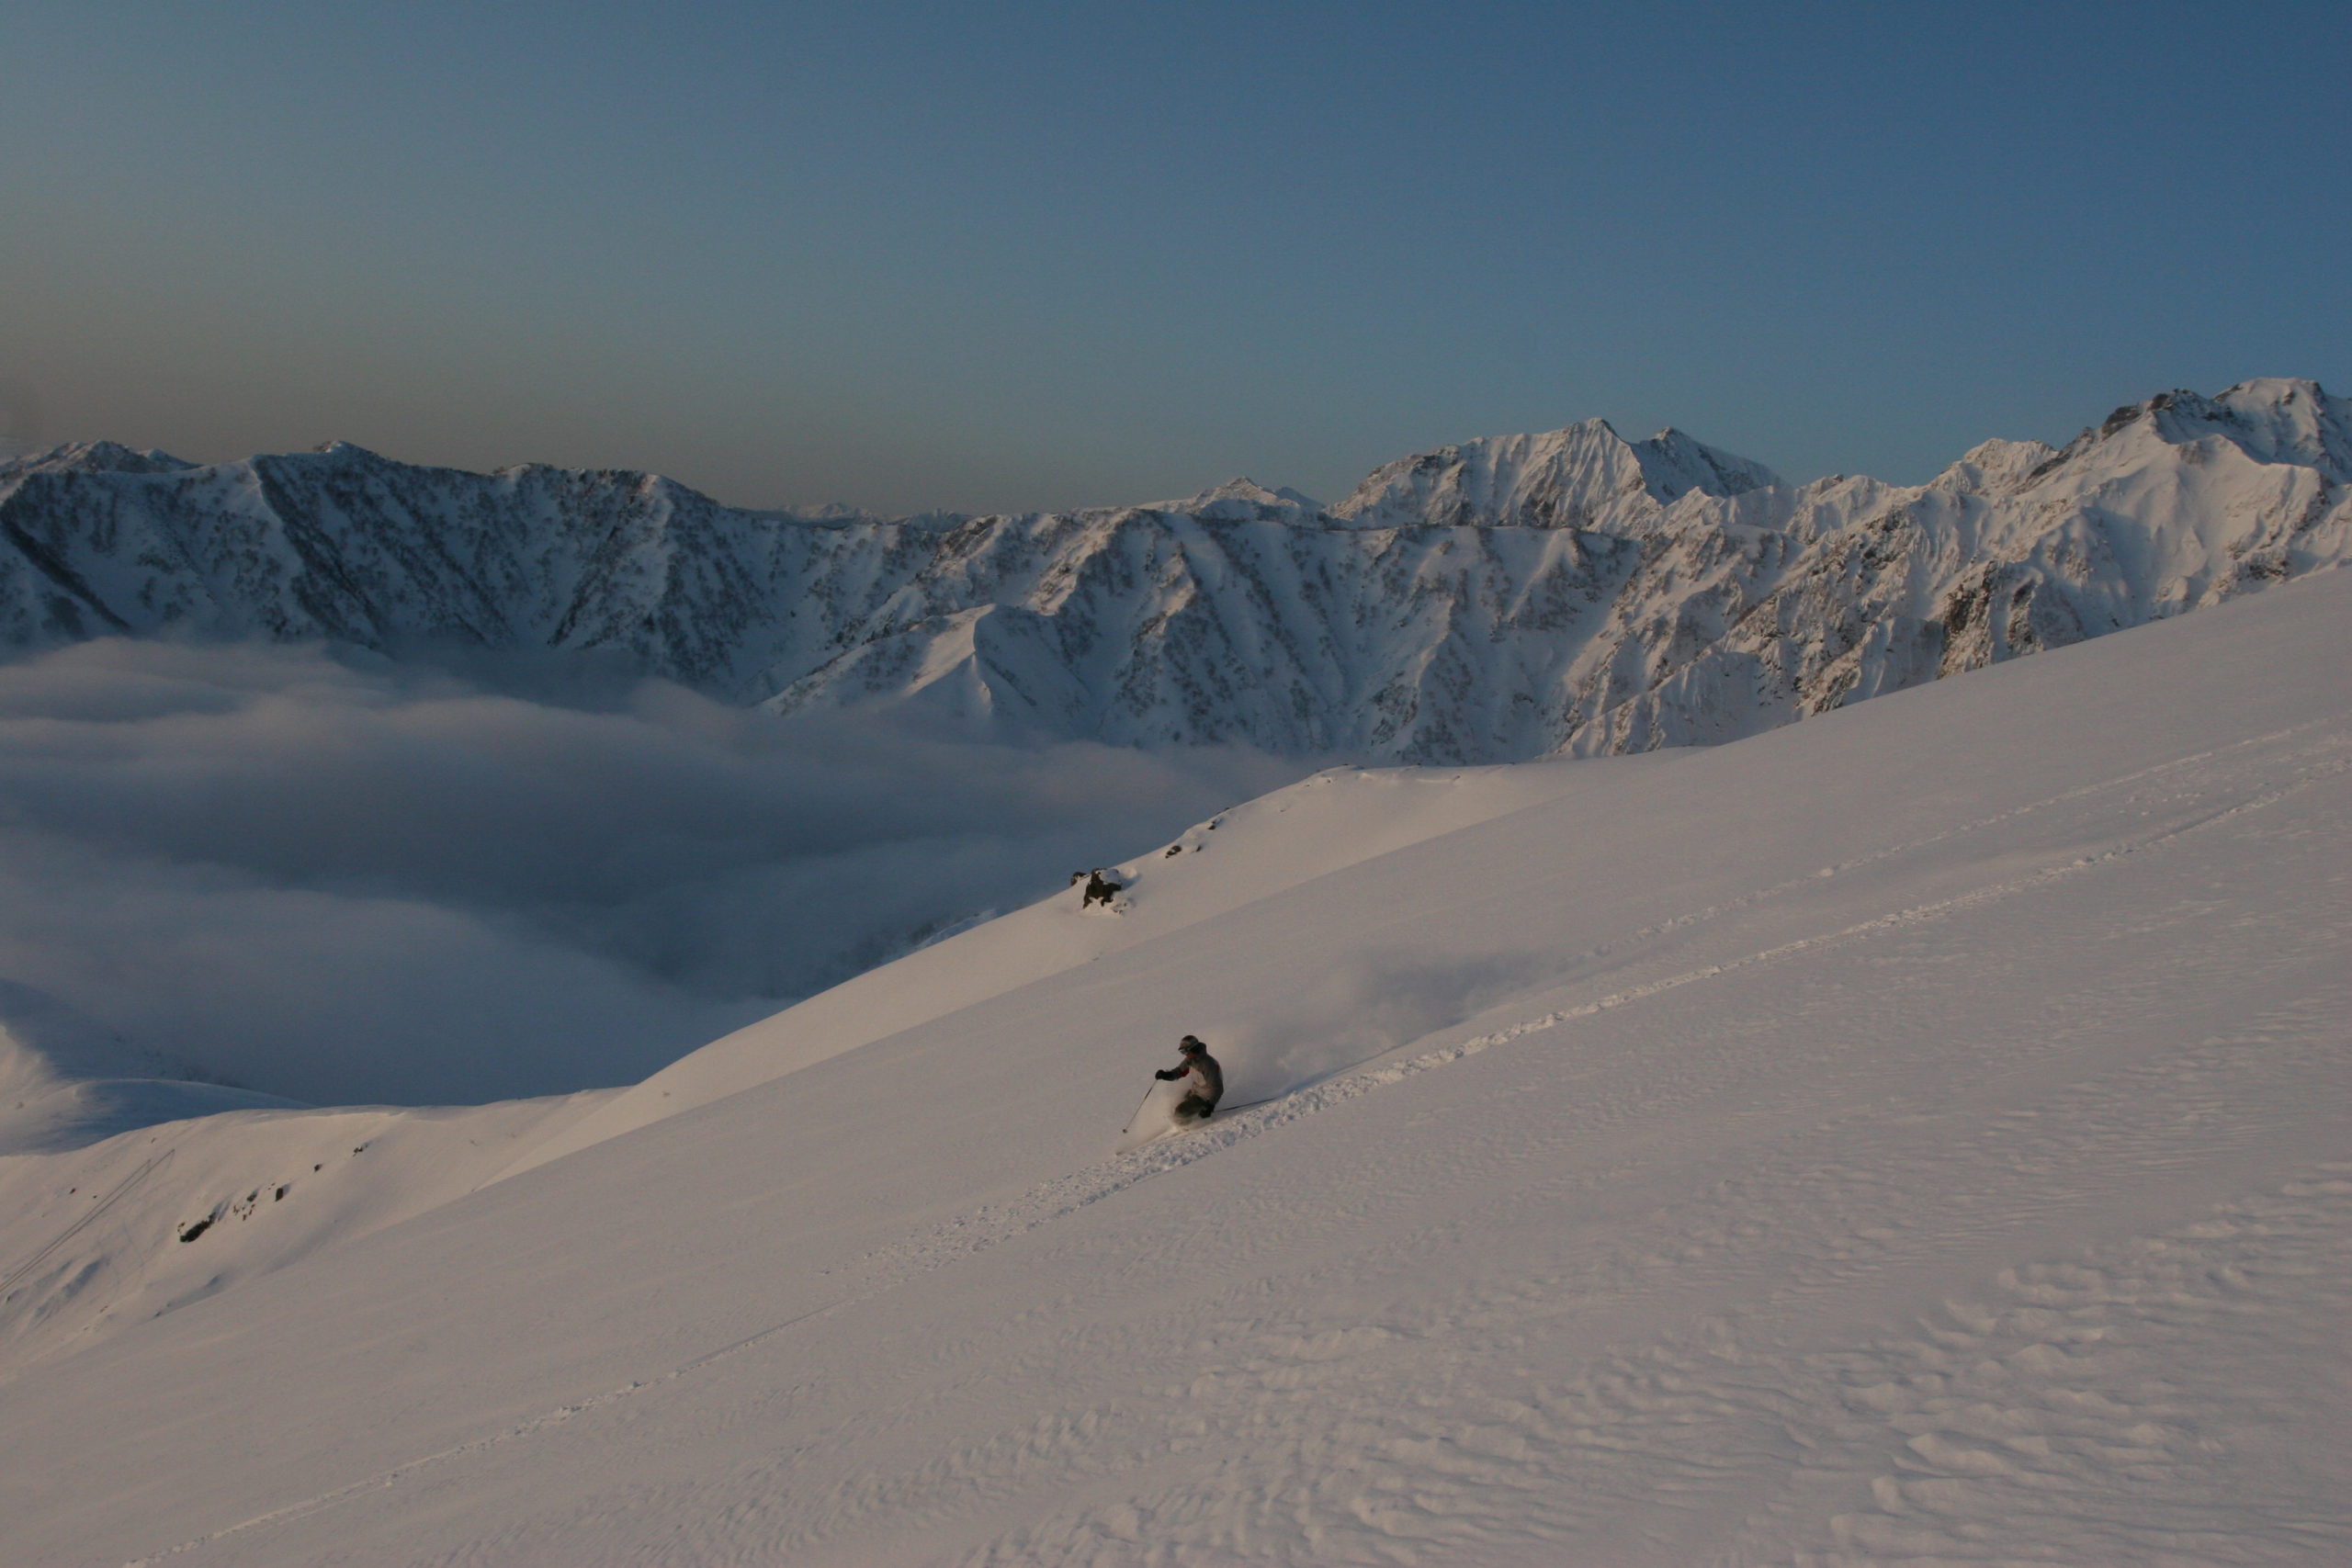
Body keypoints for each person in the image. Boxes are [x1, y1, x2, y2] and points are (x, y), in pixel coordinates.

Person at [1154, 1035, 1223, 1124]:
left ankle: (1186, 1131)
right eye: (1182, 1051)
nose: (1185, 1054)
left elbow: (1217, 1088)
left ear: (1194, 1049)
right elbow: (1179, 1072)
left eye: (1185, 1051)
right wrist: (1166, 1075)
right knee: (1177, 1102)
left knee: (1180, 1112)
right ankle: (1188, 1119)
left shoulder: (1207, 1064)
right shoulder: (1191, 1060)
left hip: (1205, 1097)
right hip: (1196, 1091)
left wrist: (1210, 1106)